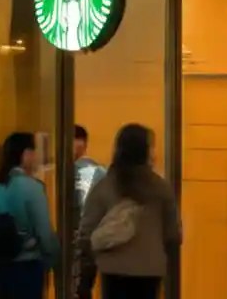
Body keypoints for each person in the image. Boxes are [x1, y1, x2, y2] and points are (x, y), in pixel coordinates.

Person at [78, 124, 181, 299]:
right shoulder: (161, 189)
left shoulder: (105, 186)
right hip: (150, 272)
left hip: (113, 271)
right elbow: (174, 235)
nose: (154, 153)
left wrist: (85, 281)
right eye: (151, 147)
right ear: (145, 151)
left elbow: (86, 234)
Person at [0, 132, 59, 299]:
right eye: (34, 152)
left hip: (0, 268)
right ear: (26, 154)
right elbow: (45, 234)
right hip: (27, 268)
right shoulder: (33, 188)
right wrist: (51, 262)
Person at [73, 124, 108, 293]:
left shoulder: (82, 171)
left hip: (79, 242)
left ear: (80, 143)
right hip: (94, 241)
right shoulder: (102, 172)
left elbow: (83, 209)